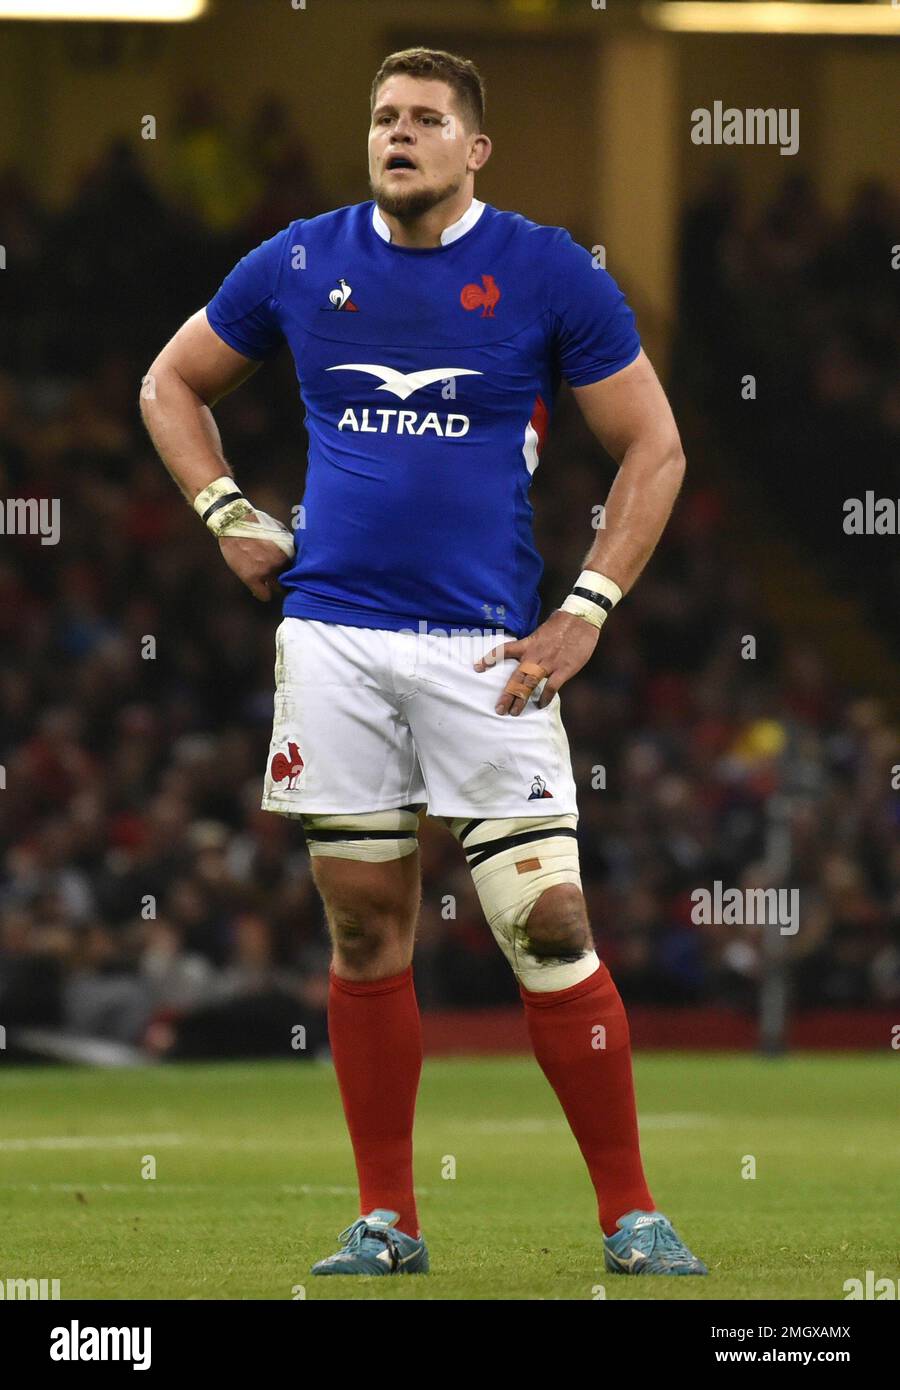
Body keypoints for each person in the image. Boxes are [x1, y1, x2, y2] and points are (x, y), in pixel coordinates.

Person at [140, 46, 705, 1279]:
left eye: (425, 119)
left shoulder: (549, 271)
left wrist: (590, 605)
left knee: (550, 924)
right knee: (363, 931)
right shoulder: (298, 259)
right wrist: (229, 513)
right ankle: (388, 1219)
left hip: (485, 649)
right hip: (334, 640)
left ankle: (633, 1216)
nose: (398, 134)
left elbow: (652, 446)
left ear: (474, 148)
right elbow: (172, 383)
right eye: (384, 117)